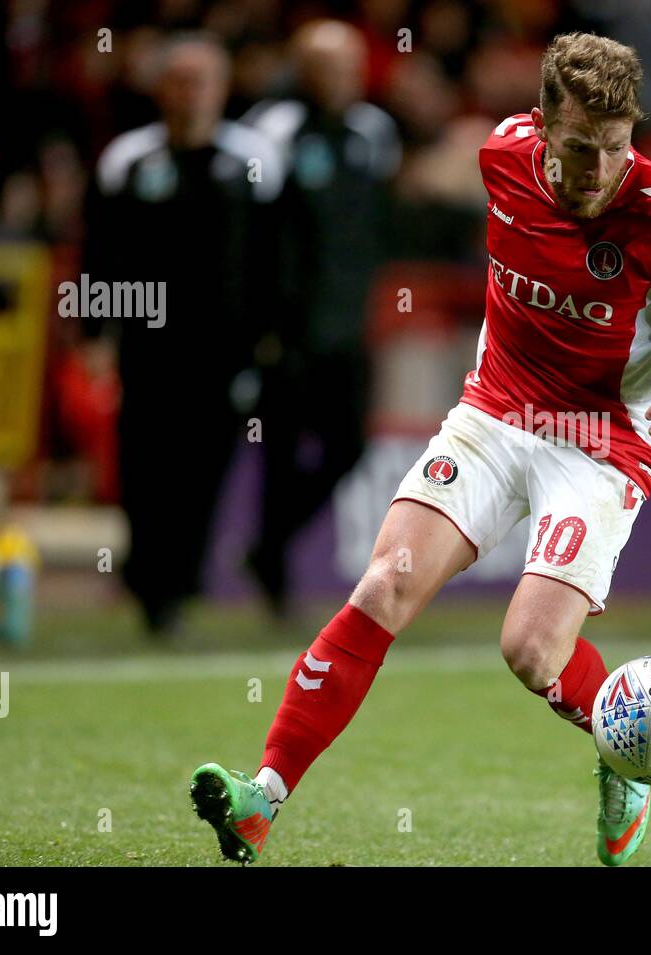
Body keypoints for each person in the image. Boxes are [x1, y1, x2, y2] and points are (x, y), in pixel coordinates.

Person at [190, 32, 651, 867]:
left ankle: (622, 754)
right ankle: (258, 802)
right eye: (576, 149)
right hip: (493, 414)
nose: (596, 172)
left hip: (599, 445)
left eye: (613, 149)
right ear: (541, 125)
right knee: (387, 584)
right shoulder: (500, 155)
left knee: (531, 652)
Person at [83, 34, 282, 634]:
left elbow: (274, 258)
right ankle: (149, 584)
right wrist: (94, 331)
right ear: (160, 88)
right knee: (143, 464)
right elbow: (99, 253)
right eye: (179, 80)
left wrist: (270, 335)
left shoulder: (255, 161)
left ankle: (177, 588)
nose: (190, 93)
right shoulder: (128, 160)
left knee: (204, 468)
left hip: (222, 350)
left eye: (202, 81)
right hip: (147, 346)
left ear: (222, 88)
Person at [241, 20, 400, 615]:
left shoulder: (373, 132)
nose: (343, 80)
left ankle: (266, 548)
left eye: (350, 67)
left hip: (347, 320)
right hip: (287, 326)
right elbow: (258, 235)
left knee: (349, 446)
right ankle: (274, 582)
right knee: (278, 453)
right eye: (329, 67)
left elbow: (373, 224)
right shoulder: (272, 130)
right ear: (303, 71)